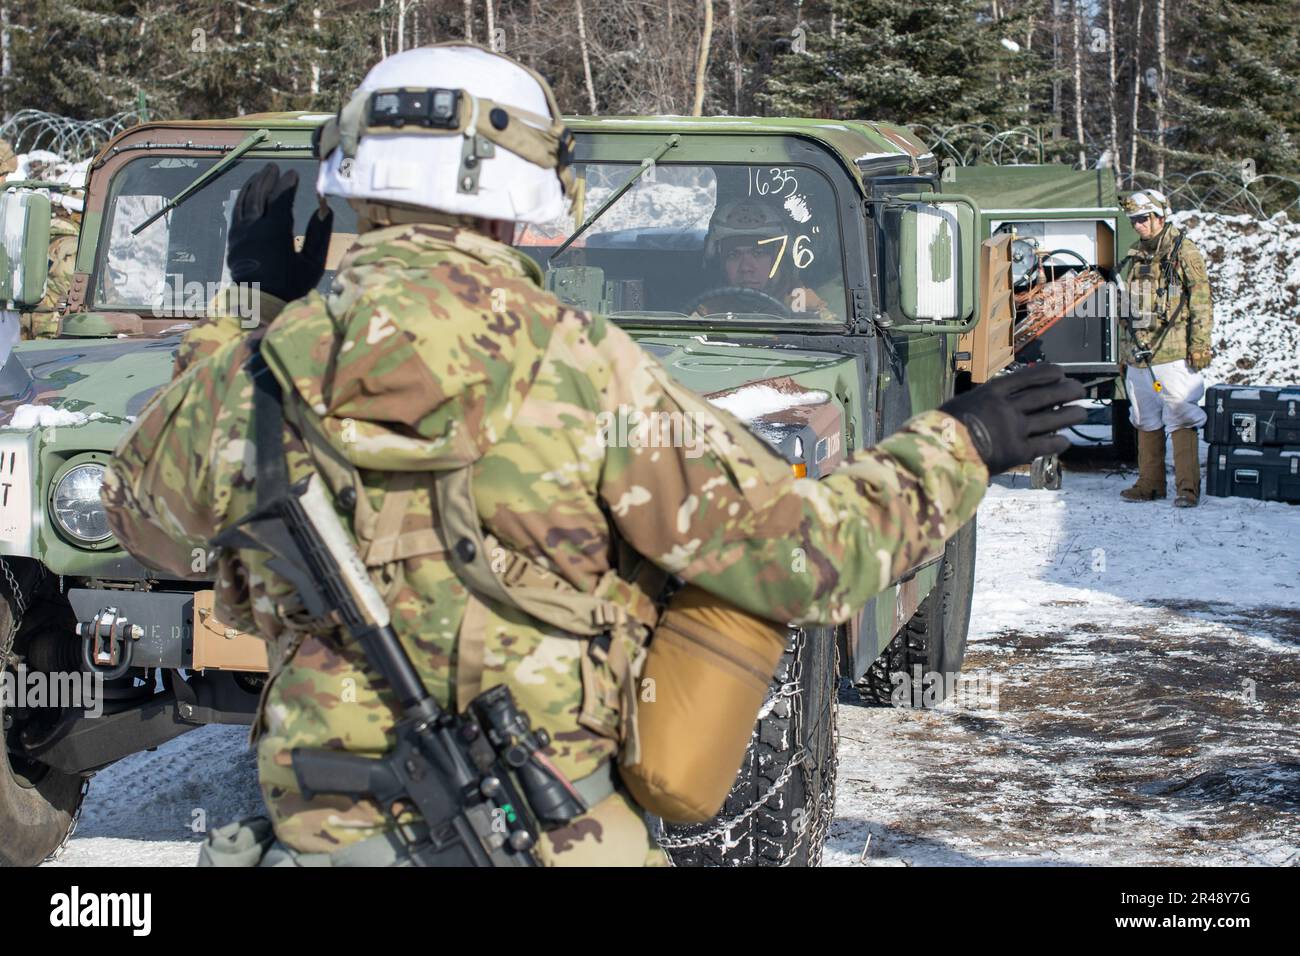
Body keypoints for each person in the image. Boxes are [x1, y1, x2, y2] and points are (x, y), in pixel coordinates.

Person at [102, 43, 1084, 867]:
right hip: (541, 823)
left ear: (348, 184)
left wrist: (262, 319)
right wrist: (964, 441)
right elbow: (801, 559)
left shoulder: (257, 374)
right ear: (526, 193)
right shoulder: (581, 368)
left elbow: (141, 523)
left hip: (317, 832)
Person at [1118, 188, 1214, 508]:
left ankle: (1187, 488)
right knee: (1145, 417)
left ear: (1161, 215)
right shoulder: (1135, 253)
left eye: (1143, 218)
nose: (1138, 225)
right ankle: (1150, 484)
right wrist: (1123, 351)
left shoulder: (1183, 251)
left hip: (1172, 350)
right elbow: (1127, 308)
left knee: (1181, 414)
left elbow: (1201, 299)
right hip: (1139, 353)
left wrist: (1200, 344)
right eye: (1134, 220)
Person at [692, 199, 837, 319]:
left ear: (780, 258)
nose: (746, 268)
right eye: (733, 255)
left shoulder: (803, 304)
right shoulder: (710, 310)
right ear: (721, 263)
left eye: (758, 253)